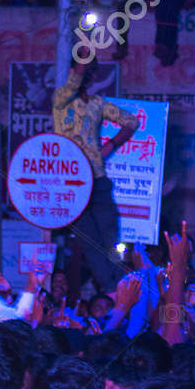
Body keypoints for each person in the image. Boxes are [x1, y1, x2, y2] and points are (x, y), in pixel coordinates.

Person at [53, 57, 140, 291]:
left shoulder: (98, 104)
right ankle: (111, 290)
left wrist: (111, 145)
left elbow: (131, 122)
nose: (85, 76)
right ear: (73, 72)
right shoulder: (62, 100)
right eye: (83, 71)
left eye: (91, 72)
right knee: (89, 241)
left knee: (110, 237)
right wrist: (86, 39)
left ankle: (120, 287)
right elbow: (76, 76)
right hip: (71, 182)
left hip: (97, 178)